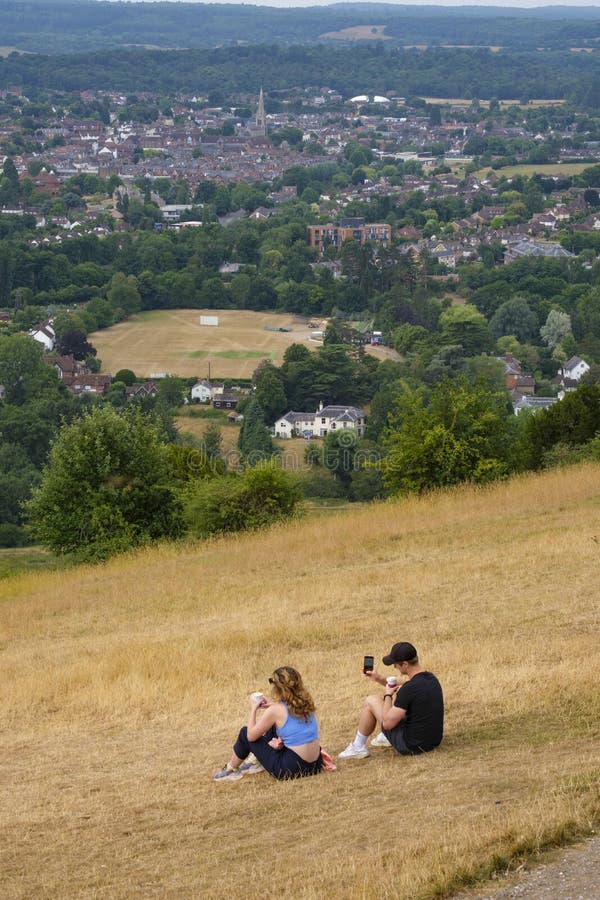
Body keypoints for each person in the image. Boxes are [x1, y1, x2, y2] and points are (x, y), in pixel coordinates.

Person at [213, 665, 323, 782]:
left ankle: (231, 770)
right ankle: (256, 762)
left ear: (277, 688)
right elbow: (290, 719)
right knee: (273, 726)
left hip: (291, 769)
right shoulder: (305, 704)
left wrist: (253, 709)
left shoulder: (275, 711)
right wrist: (272, 705)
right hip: (315, 765)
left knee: (244, 733)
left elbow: (251, 736)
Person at [338, 641, 443, 759]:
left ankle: (358, 746)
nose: (394, 667)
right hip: (432, 741)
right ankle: (383, 738)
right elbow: (403, 684)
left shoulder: (408, 689)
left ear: (405, 664)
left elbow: (387, 724)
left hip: (410, 746)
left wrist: (388, 695)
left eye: (396, 664)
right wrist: (378, 678)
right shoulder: (431, 679)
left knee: (371, 701)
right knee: (400, 702)